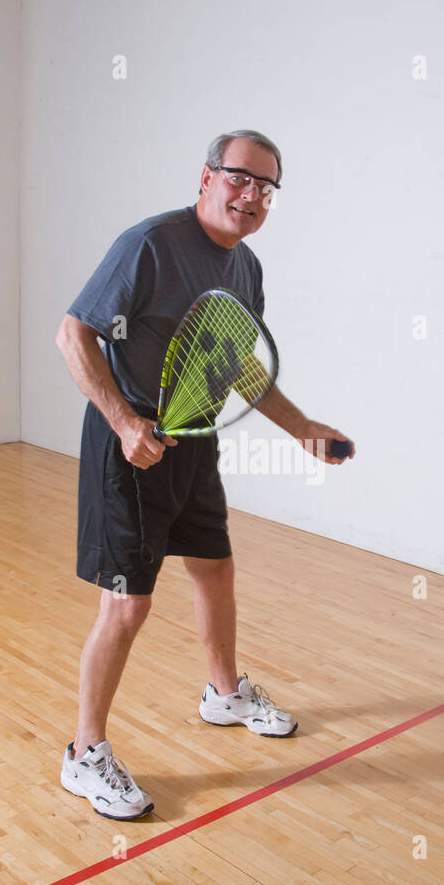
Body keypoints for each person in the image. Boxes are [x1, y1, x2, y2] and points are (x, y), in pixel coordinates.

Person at [55, 129, 354, 820]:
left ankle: (225, 694)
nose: (251, 196)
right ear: (207, 176)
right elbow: (74, 332)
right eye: (240, 178)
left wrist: (303, 428)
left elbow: (239, 366)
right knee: (127, 604)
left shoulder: (245, 269)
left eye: (266, 188)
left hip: (192, 437)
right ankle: (84, 753)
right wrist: (126, 424)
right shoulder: (151, 244)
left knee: (213, 568)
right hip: (130, 442)